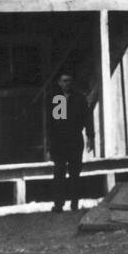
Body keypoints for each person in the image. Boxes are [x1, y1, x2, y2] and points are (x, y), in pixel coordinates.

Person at [46, 74, 94, 212]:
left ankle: (74, 204)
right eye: (64, 81)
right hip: (59, 141)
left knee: (75, 172)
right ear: (59, 83)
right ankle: (59, 204)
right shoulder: (57, 99)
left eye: (69, 81)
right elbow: (54, 123)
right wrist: (50, 143)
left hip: (75, 140)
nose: (67, 84)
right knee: (59, 172)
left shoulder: (79, 98)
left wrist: (90, 136)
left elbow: (87, 118)